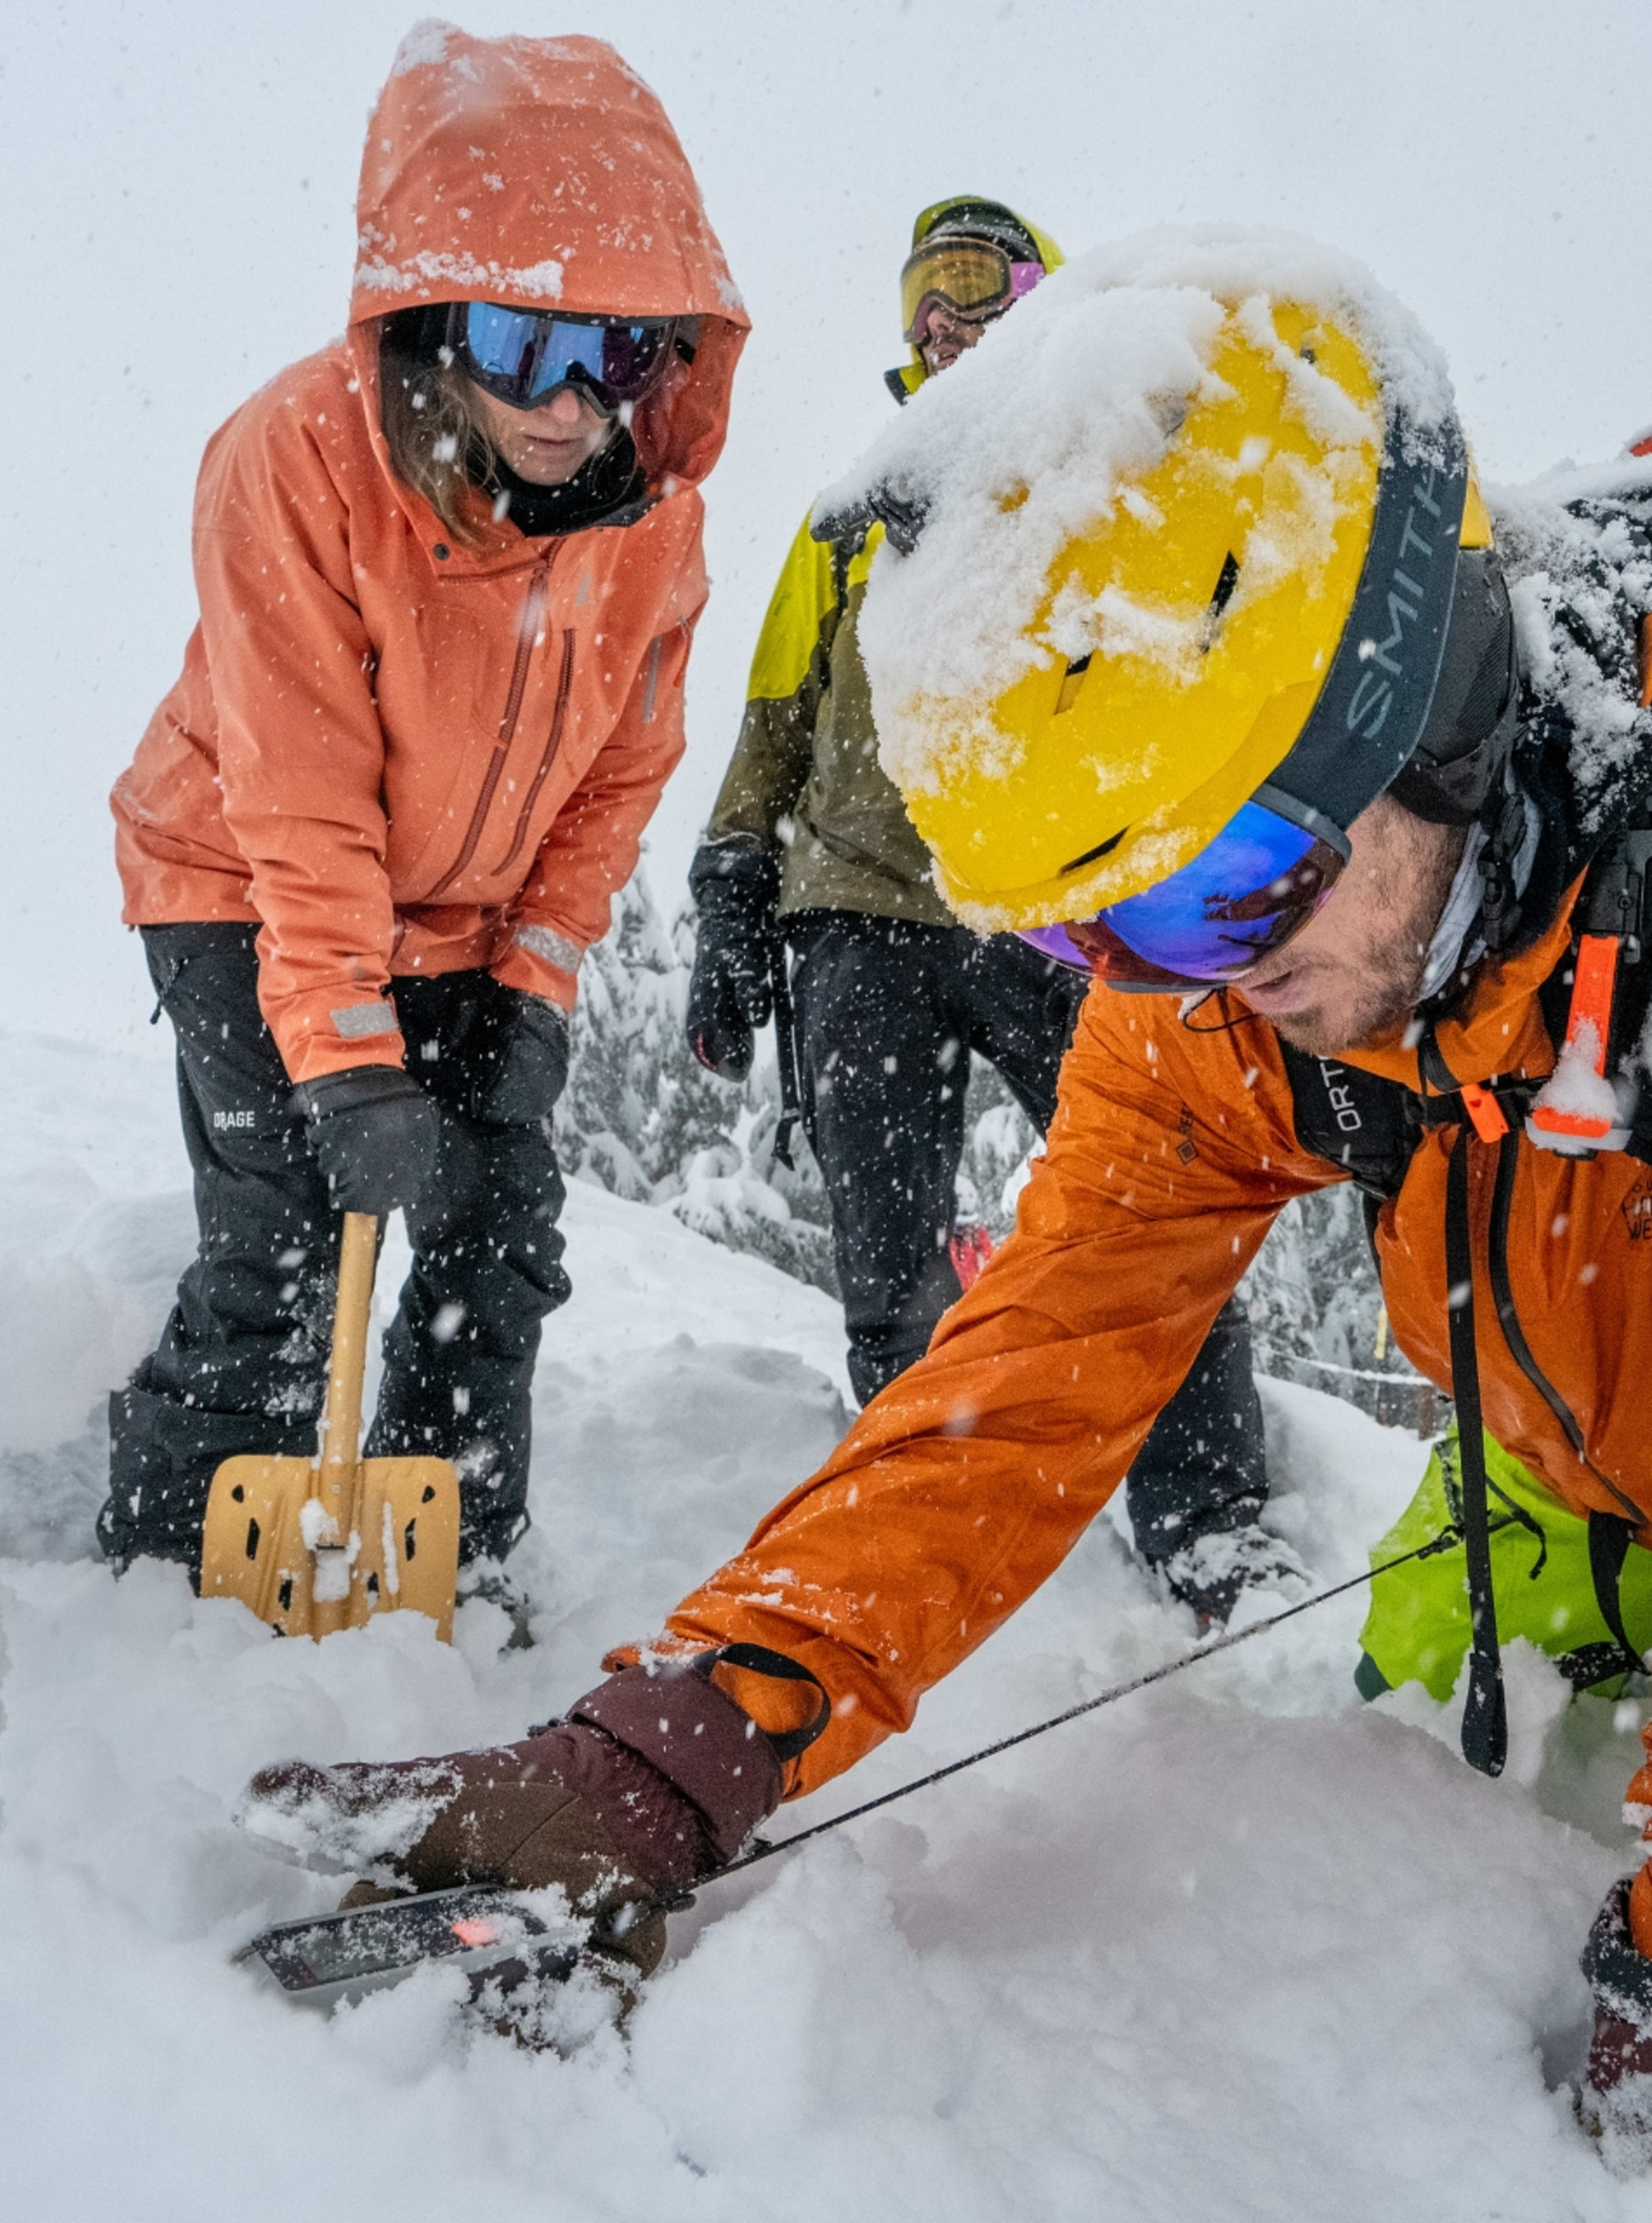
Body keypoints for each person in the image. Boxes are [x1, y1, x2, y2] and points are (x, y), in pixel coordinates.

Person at [243, 243, 1652, 2156]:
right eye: (1084, 931)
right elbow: (1028, 1375)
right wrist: (694, 1732)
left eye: (1201, 900)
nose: (1168, 985)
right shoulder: (1241, 955)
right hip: (1581, 1458)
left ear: (1417, 712)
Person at [101, 27, 746, 1583]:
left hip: (466, 919)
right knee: (286, 1247)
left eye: (619, 355)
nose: (569, 404)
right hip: (244, 882)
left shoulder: (654, 532)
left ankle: (445, 1558)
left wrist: (534, 975)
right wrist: (340, 1056)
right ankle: (167, 1572)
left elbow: (619, 778)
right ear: (433, 323)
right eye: (525, 349)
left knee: (500, 1230)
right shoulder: (299, 460)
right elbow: (299, 786)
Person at [683, 199, 1288, 1620]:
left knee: (1154, 1211)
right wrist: (730, 893)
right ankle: (917, 1530)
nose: (935, 318)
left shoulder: (1102, 482)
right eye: (918, 297)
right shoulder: (855, 511)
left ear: (1041, 304)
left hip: (1053, 917)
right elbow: (774, 719)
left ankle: (1209, 1522)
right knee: (888, 1261)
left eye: (968, 284)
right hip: (855, 915)